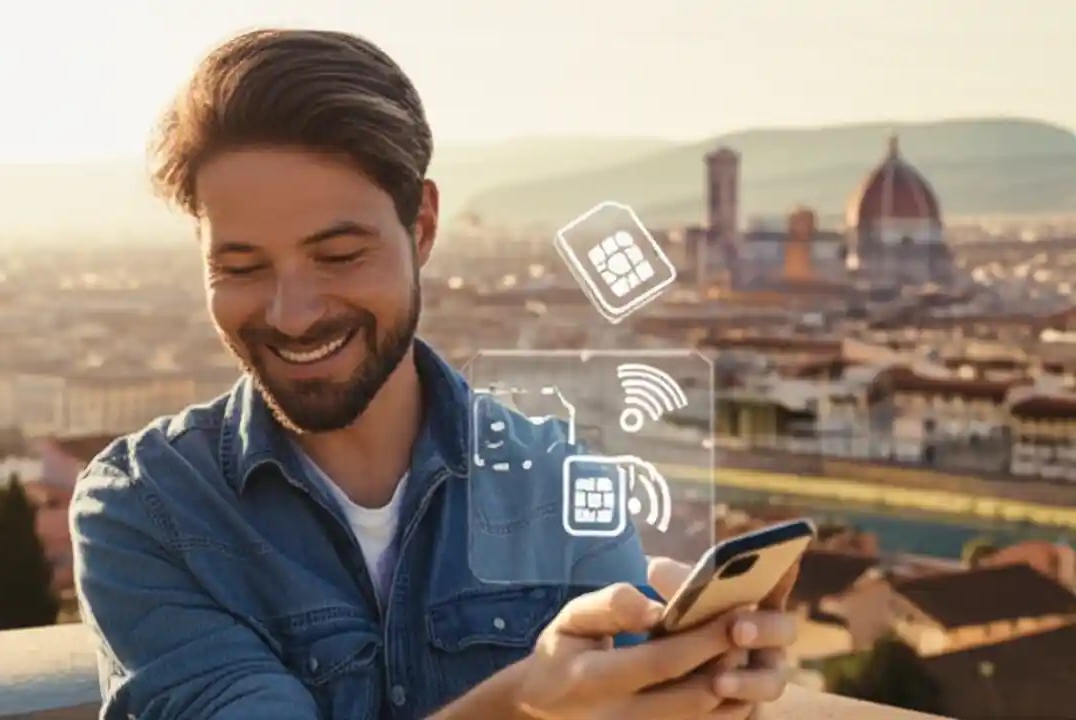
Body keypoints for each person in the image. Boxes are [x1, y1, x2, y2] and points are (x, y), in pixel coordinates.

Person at [69, 28, 799, 720]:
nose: (292, 315)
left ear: (421, 225)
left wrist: (695, 685)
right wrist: (520, 705)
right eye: (241, 267)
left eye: (339, 255)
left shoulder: (559, 479)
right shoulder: (145, 510)